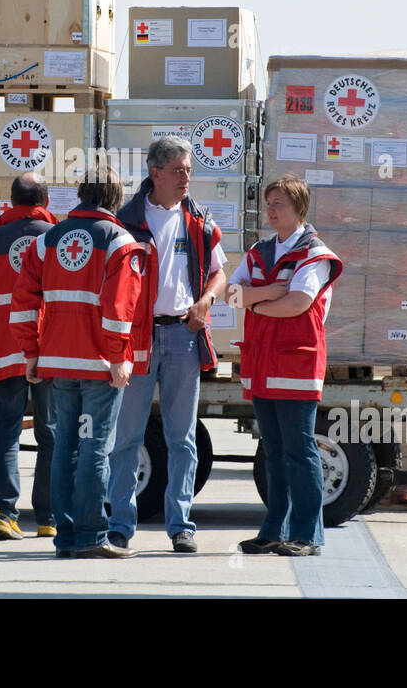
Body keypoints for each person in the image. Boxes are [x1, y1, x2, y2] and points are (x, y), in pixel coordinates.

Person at [9, 164, 153, 558]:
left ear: (82, 194)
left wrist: (31, 352)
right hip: (98, 365)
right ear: (115, 198)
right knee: (95, 450)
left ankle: (66, 537)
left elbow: (22, 302)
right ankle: (91, 537)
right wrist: (120, 356)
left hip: (57, 362)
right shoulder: (121, 243)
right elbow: (119, 308)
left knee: (64, 447)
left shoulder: (48, 238)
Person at [108, 136, 227, 553]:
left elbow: (219, 273)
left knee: (183, 437)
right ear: (155, 173)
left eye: (189, 170)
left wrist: (206, 300)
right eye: (178, 170)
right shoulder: (125, 220)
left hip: (182, 335)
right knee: (126, 438)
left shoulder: (199, 219)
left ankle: (181, 525)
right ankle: (120, 525)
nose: (186, 178)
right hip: (138, 339)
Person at [226, 175, 342, 557]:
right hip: (262, 365)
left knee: (300, 450)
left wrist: (255, 303)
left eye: (280, 204)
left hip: (297, 365)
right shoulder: (260, 250)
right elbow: (231, 293)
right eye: (269, 203)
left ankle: (307, 535)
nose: (271, 210)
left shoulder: (314, 254)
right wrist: (268, 294)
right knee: (272, 450)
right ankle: (274, 530)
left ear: (299, 209)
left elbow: (299, 303)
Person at [0, 173, 59, 541]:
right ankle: (48, 517)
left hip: (3, 351)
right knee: (51, 433)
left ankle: (5, 513)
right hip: (48, 349)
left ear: (11, 201)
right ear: (45, 202)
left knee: (6, 433)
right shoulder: (59, 239)